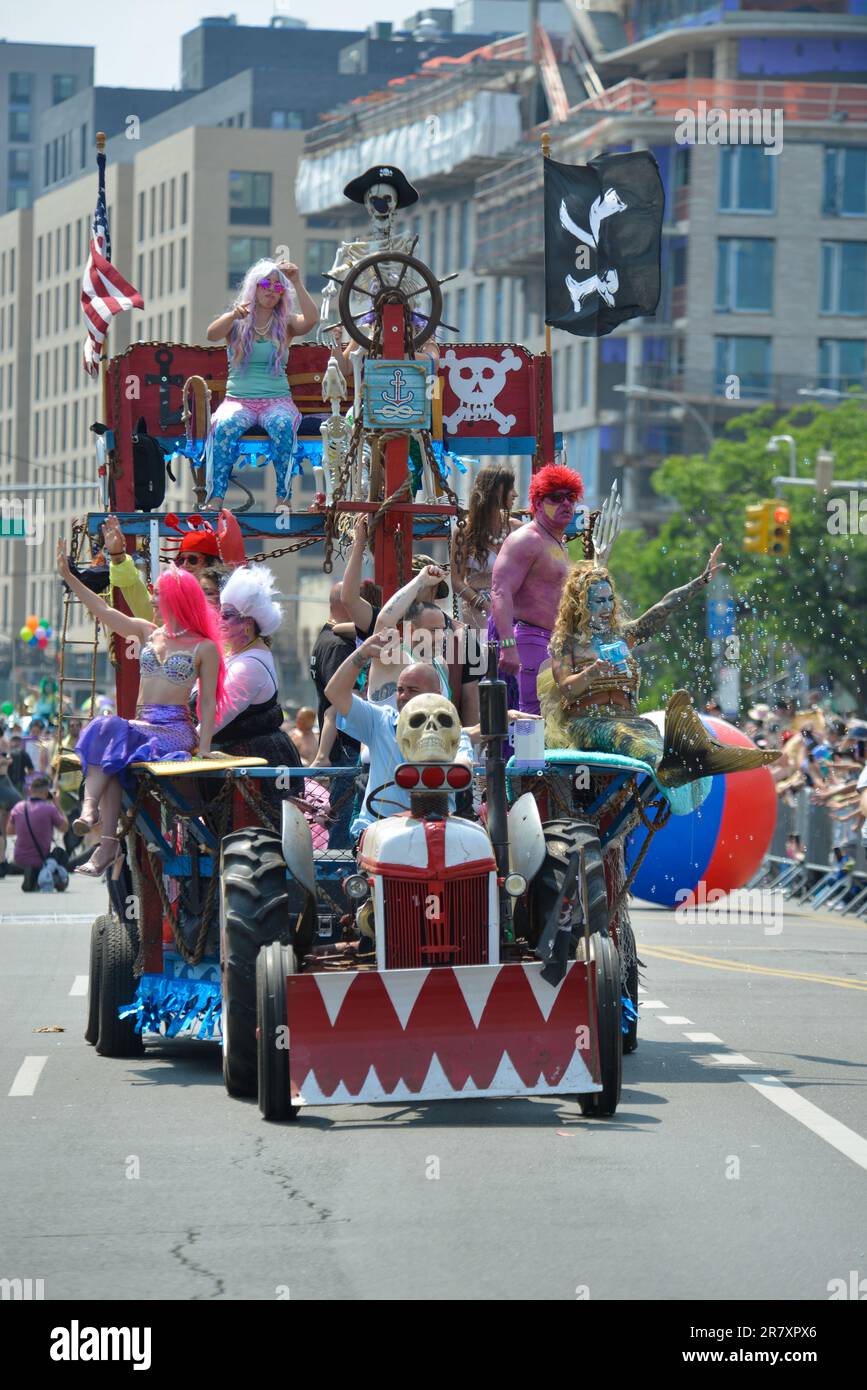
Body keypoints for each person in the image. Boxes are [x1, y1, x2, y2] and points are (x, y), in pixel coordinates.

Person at [538, 547, 780, 788]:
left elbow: (664, 606)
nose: (607, 607)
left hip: (631, 722)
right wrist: (593, 671)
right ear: (581, 603)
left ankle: (706, 755)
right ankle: (682, 765)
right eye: (599, 601)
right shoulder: (566, 643)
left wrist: (701, 581)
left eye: (610, 599)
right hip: (589, 723)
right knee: (642, 748)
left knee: (663, 748)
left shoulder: (624, 635)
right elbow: (568, 689)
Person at [56, 544, 226, 877]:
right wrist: (69, 577)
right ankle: (101, 836)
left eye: (158, 593)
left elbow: (207, 701)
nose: (151, 598)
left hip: (174, 730)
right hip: (143, 724)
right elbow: (104, 613)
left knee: (113, 731)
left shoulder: (204, 646)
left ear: (175, 599)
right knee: (109, 739)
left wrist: (204, 748)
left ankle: (95, 822)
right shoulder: (150, 633)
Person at [325, 631, 474, 847]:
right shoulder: (380, 721)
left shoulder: (452, 731)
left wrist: (453, 769)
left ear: (436, 693)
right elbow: (335, 692)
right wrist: (363, 652)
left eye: (412, 690)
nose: (403, 696)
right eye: (400, 689)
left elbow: (463, 764)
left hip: (437, 829)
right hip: (378, 830)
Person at [205, 257, 318, 510]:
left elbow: (311, 320)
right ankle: (216, 497)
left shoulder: (285, 323)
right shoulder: (237, 321)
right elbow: (211, 334)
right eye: (266, 283)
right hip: (238, 401)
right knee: (223, 426)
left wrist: (297, 282)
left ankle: (283, 497)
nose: (271, 290)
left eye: (278, 287)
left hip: (276, 400)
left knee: (282, 426)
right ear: (254, 286)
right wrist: (234, 313)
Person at [491, 463, 585, 715]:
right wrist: (508, 645)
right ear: (539, 503)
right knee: (531, 723)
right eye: (556, 497)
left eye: (571, 497)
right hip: (530, 643)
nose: (566, 503)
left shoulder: (555, 542)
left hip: (554, 645)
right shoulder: (528, 539)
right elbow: (500, 591)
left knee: (552, 725)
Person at [210, 565, 302, 772]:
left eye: (227, 615)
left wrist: (184, 745)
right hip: (232, 761)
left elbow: (217, 716)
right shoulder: (236, 655)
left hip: (250, 769)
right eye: (220, 613)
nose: (220, 620)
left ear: (247, 624)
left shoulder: (249, 665)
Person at [451, 464, 522, 630]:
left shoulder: (518, 529)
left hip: (513, 612)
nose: (515, 494)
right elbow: (456, 582)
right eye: (510, 488)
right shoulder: (463, 532)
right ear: (495, 491)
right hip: (476, 615)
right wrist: (487, 607)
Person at [7, 774, 68, 892]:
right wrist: (57, 804)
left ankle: (33, 875)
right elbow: (64, 828)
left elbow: (9, 831)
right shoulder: (50, 809)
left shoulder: (18, 807)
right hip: (41, 858)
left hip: (19, 859)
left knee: (34, 859)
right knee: (61, 854)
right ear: (46, 793)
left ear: (30, 790)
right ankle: (45, 875)